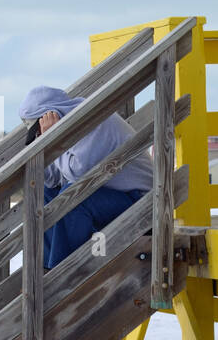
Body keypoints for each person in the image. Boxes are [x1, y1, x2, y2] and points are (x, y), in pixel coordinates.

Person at [18, 85, 153, 271]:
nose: (40, 134)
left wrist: (54, 140)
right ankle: (46, 268)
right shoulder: (72, 125)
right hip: (115, 195)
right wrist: (45, 145)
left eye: (39, 130)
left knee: (72, 197)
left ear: (51, 115)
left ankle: (61, 271)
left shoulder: (92, 121)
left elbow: (77, 174)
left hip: (141, 199)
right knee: (44, 192)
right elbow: (53, 179)